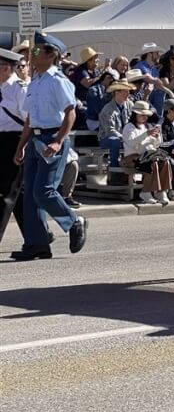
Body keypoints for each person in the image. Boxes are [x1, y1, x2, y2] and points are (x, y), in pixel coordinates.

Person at [10, 32, 88, 261]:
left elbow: (70, 112)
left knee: (44, 191)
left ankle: (74, 221)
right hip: (35, 139)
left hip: (52, 137)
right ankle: (37, 244)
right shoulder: (35, 81)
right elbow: (29, 119)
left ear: (50, 54)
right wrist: (21, 146)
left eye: (36, 50)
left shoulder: (58, 81)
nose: (31, 54)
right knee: (30, 195)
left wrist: (58, 141)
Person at [122, 99, 174, 205]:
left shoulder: (147, 127)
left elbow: (156, 145)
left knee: (165, 161)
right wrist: (147, 134)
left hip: (148, 154)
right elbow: (132, 143)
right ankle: (146, 191)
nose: (144, 117)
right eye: (142, 115)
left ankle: (161, 191)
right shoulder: (129, 127)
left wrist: (157, 137)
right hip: (131, 157)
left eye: (146, 115)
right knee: (152, 162)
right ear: (135, 114)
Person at [1, 48, 29, 241]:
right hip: (0, 141)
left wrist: (22, 146)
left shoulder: (20, 89)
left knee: (6, 194)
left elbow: (29, 121)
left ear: (5, 68)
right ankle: (39, 236)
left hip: (15, 141)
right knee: (17, 195)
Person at [98, 81, 133, 171]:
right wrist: (125, 138)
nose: (128, 94)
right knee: (115, 141)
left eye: (128, 91)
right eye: (125, 91)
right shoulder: (107, 109)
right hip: (106, 138)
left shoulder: (130, 105)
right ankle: (114, 168)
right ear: (117, 93)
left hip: (125, 138)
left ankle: (132, 165)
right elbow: (110, 131)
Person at [160, 99, 174, 200]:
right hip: (164, 153)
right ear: (169, 111)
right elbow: (161, 143)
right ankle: (172, 191)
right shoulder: (161, 124)